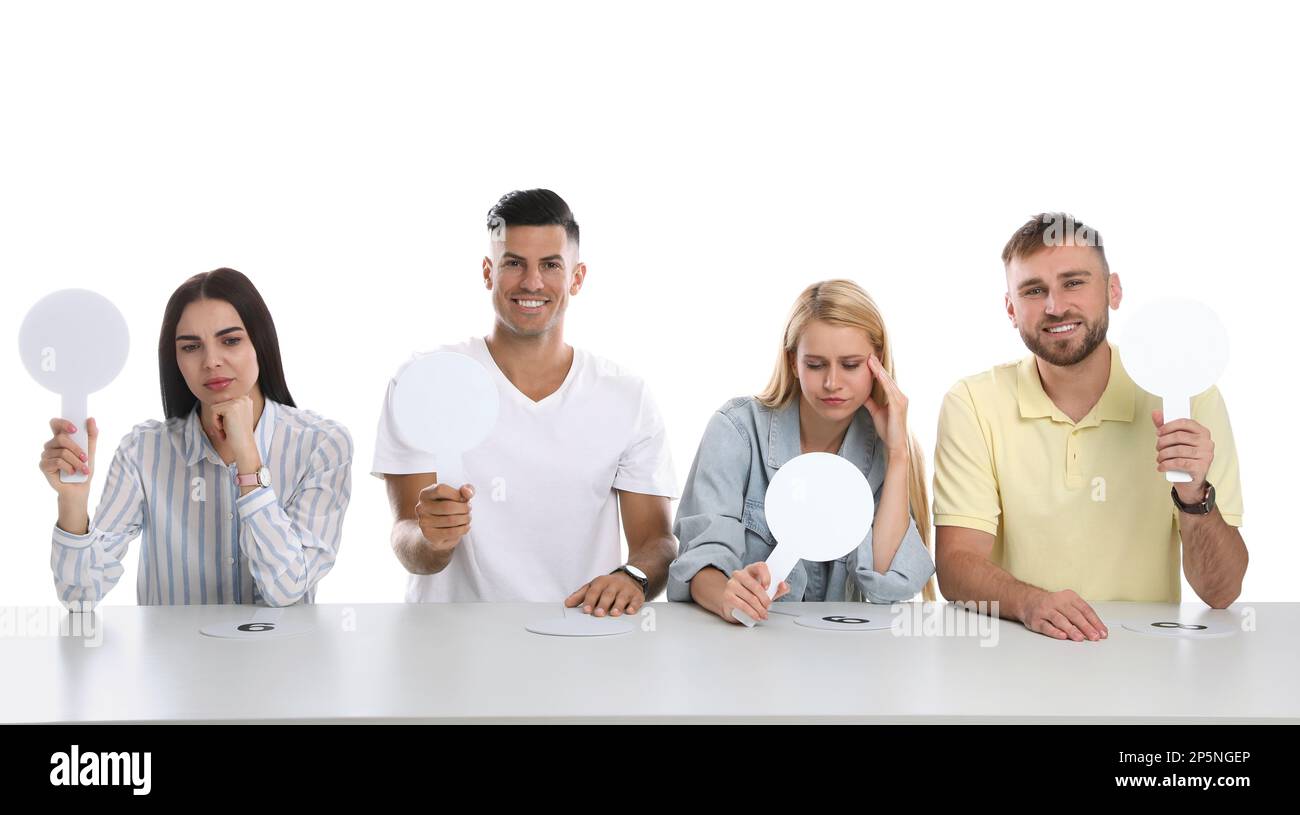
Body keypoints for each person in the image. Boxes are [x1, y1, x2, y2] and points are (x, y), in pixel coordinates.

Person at [933, 213, 1248, 642]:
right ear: (1010, 308)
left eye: (1074, 282)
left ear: (1113, 290)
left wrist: (1194, 496)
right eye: (1033, 290)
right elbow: (955, 566)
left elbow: (1221, 592)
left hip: (1146, 660)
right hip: (1017, 652)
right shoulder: (972, 402)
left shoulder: (1191, 398)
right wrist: (1031, 603)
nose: (1055, 306)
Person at [374, 189, 678, 615]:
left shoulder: (627, 396)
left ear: (577, 277)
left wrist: (634, 577)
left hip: (581, 637)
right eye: (513, 263)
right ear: (487, 272)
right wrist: (431, 540)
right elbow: (406, 533)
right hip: (450, 648)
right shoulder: (426, 381)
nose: (532, 282)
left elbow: (656, 541)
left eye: (550, 265)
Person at [40, 268, 353, 607]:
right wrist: (72, 500)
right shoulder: (143, 451)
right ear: (175, 359)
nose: (211, 361)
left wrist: (247, 457)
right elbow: (79, 597)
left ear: (259, 343)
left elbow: (287, 589)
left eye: (230, 340)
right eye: (191, 347)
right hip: (174, 660)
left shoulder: (322, 445)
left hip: (279, 659)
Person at [668, 279, 935, 623]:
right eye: (816, 364)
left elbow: (886, 587)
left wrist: (898, 454)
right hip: (749, 650)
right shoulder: (736, 429)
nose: (832, 382)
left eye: (851, 365)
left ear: (877, 363)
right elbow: (699, 558)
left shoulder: (890, 451)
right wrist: (726, 594)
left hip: (843, 655)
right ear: (793, 362)